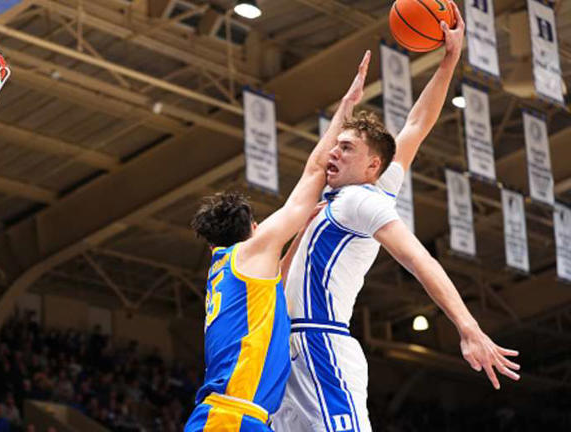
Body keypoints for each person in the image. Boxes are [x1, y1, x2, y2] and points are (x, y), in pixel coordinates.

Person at [272, 3, 520, 431]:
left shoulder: (362, 201)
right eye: (336, 144)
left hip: (320, 344)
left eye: (346, 148)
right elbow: (415, 125)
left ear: (373, 167)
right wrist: (446, 62)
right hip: (285, 352)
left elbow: (420, 260)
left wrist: (468, 326)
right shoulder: (336, 197)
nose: (333, 151)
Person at [183, 53, 373, 432]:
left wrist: (303, 230)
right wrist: (346, 109)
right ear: (254, 228)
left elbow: (280, 280)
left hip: (238, 417)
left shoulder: (234, 273)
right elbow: (316, 171)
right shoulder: (250, 251)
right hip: (230, 418)